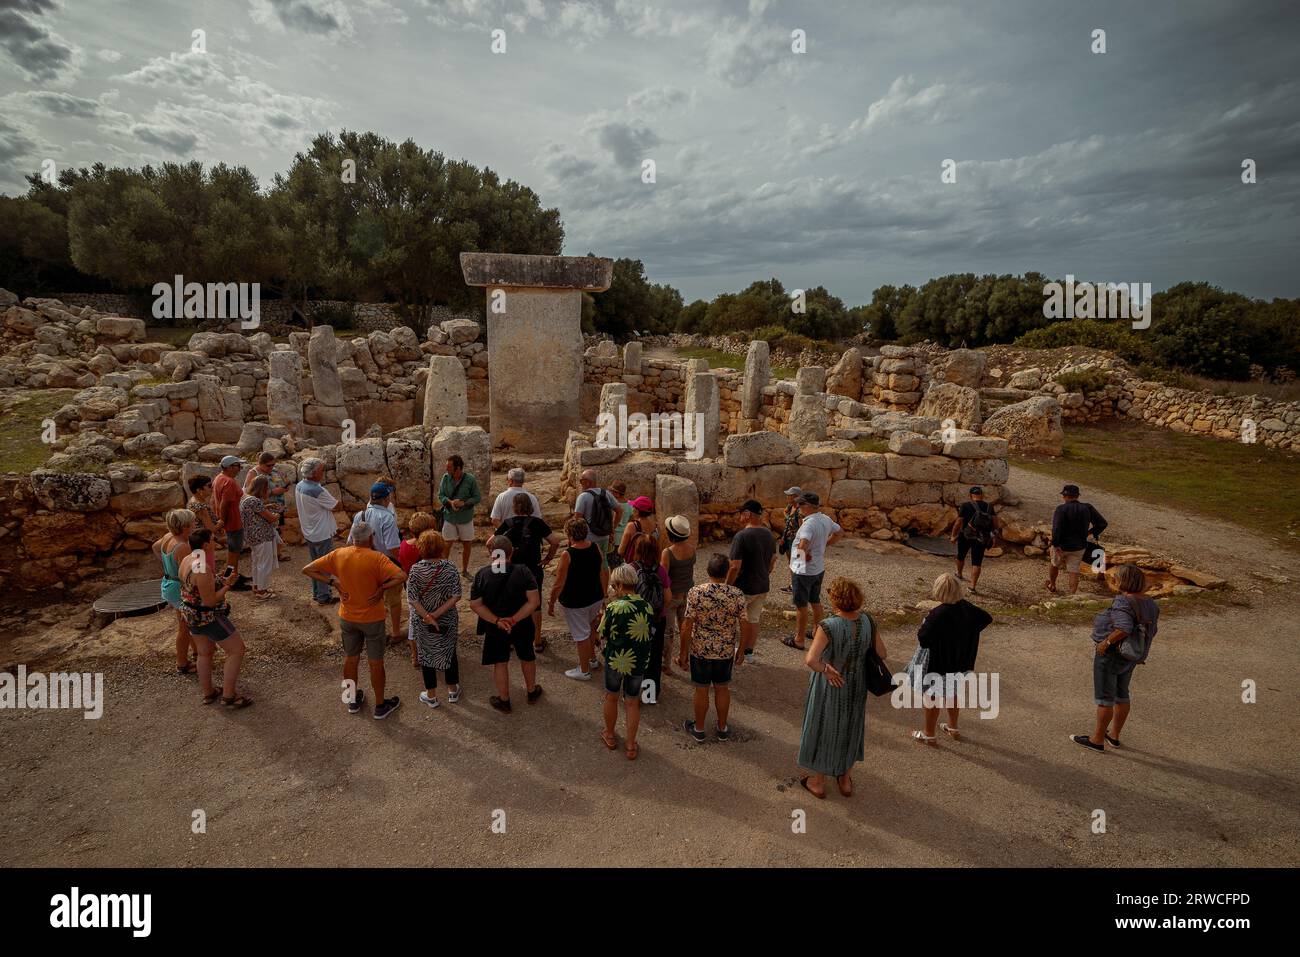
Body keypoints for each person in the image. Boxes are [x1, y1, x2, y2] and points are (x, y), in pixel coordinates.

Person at [303, 520, 407, 719]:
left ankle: (351, 699)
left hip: (347, 616)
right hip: (372, 617)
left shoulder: (338, 554)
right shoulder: (377, 558)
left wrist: (333, 582)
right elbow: (401, 576)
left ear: (352, 538)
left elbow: (307, 569)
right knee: (375, 662)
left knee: (351, 658)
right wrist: (382, 588)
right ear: (370, 538)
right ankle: (380, 705)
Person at [797, 577, 885, 799]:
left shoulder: (828, 626)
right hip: (858, 684)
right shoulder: (868, 621)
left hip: (832, 685)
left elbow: (811, 660)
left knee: (825, 728)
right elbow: (882, 654)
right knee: (851, 728)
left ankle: (818, 782)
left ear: (835, 600)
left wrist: (826, 669)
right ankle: (844, 780)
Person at [1071, 564, 1159, 753]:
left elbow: (1124, 627)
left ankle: (1096, 740)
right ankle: (1114, 735)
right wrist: (1141, 653)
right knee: (1122, 694)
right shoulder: (1150, 603)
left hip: (1112, 655)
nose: (1114, 580)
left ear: (1124, 580)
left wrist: (1106, 643)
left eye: (1117, 577)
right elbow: (1152, 630)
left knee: (1105, 698)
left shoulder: (1123, 601)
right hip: (1131, 656)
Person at [910, 573, 993, 746]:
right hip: (960, 661)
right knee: (952, 693)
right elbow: (987, 618)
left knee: (932, 696)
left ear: (938, 591)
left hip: (939, 663)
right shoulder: (966, 608)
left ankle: (929, 734)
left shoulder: (937, 614)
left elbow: (924, 639)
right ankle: (953, 727)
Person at [179, 528, 251, 708]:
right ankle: (229, 696)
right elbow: (210, 601)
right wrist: (228, 585)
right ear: (205, 545)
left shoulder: (187, 560)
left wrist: (219, 578)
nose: (216, 541)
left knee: (204, 653)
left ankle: (209, 692)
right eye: (213, 539)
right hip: (207, 616)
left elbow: (194, 587)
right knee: (236, 650)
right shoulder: (202, 568)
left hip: (190, 614)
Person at [469, 535, 543, 713]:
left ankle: (504, 699)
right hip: (522, 623)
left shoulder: (482, 574)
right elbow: (534, 601)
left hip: (496, 626)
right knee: (527, 656)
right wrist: (514, 619)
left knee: (500, 662)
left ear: (491, 552)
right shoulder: (524, 571)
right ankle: (532, 691)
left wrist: (498, 620)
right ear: (512, 552)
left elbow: (475, 604)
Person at [679, 554, 746, 742]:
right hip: (725, 650)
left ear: (708, 571)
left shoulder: (696, 592)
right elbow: (745, 623)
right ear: (726, 573)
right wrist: (741, 650)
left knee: (701, 690)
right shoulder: (736, 594)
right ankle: (722, 727)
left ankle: (699, 729)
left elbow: (687, 625)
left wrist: (683, 651)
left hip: (701, 649)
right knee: (722, 688)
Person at [598, 563, 654, 760]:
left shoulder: (614, 608)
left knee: (611, 697)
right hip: (638, 660)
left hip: (616, 660)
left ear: (620, 584)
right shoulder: (647, 606)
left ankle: (610, 734)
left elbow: (602, 633)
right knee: (632, 702)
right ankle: (631, 744)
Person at [495, 495, 560, 654]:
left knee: (511, 603)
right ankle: (537, 641)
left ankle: (510, 640)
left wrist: (499, 560)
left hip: (511, 570)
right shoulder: (537, 522)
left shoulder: (507, 523)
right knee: (535, 605)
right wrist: (548, 558)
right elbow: (555, 541)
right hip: (533, 569)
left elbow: (491, 542)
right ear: (530, 506)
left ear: (514, 506)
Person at [406, 529, 463, 709]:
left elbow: (412, 598)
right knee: (449, 652)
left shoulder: (415, 570)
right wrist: (437, 615)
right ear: (441, 547)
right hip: (447, 618)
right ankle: (452, 690)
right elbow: (456, 595)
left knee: (426, 655)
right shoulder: (450, 567)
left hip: (423, 621)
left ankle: (431, 695)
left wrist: (428, 617)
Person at [549, 517, 608, 681]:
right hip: (595, 596)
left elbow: (558, 584)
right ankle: (592, 660)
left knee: (581, 635)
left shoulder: (568, 554)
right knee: (590, 628)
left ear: (569, 534)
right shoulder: (595, 547)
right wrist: (603, 594)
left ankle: (584, 670)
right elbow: (602, 570)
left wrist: (552, 602)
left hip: (575, 601)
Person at [783, 492, 842, 651]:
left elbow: (802, 545)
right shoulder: (825, 519)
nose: (798, 507)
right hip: (818, 568)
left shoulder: (808, 524)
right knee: (815, 601)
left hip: (803, 571)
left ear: (808, 506)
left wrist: (801, 560)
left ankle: (799, 639)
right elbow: (839, 532)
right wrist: (824, 546)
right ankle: (817, 631)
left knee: (801, 606)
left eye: (801, 504)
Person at [350, 482, 404, 639]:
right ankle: (395, 632)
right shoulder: (387, 517)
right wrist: (402, 563)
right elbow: (393, 547)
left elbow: (351, 540)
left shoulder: (360, 515)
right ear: (386, 498)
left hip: (365, 561)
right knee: (393, 599)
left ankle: (373, 631)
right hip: (386, 563)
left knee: (372, 597)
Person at [727, 499, 778, 662]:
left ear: (747, 514)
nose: (740, 517)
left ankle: (729, 650)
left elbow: (734, 566)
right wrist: (763, 574)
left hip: (743, 586)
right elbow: (772, 560)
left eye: (742, 513)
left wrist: (726, 586)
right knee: (753, 619)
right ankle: (748, 652)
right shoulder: (769, 534)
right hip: (762, 585)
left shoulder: (741, 536)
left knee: (732, 619)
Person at [152, 508, 196, 674]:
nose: (195, 524)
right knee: (184, 626)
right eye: (192, 522)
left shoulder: (167, 537)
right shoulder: (183, 547)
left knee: (185, 622)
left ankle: (196, 651)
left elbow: (155, 547)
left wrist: (167, 567)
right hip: (178, 587)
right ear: (185, 526)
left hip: (168, 582)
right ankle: (182, 663)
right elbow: (189, 573)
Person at [1048, 483, 1108, 595]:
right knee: (1073, 571)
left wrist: (1055, 544)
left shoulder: (1061, 509)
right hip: (1079, 546)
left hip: (1062, 546)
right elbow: (1102, 524)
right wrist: (1089, 533)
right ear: (1077, 496)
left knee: (1054, 564)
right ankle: (1071, 595)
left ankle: (1052, 585)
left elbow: (1056, 529)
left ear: (1064, 496)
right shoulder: (1087, 507)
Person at [295, 457, 339, 605]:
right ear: (313, 473)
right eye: (321, 470)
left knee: (314, 564)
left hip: (309, 531)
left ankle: (317, 593)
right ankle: (324, 596)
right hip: (321, 532)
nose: (323, 473)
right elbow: (335, 506)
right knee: (324, 566)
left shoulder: (300, 485)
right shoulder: (317, 490)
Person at [632, 535, 670, 701]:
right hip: (656, 620)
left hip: (635, 621)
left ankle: (632, 692)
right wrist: (660, 610)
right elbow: (668, 597)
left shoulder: (631, 569)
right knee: (654, 657)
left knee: (634, 655)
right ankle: (650, 695)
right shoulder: (660, 570)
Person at [660, 514, 696, 674]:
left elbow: (663, 577)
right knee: (685, 629)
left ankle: (666, 664)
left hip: (672, 597)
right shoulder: (692, 550)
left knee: (668, 633)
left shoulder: (667, 553)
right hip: (687, 594)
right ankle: (684, 659)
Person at [950, 486, 1001, 594]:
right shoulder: (989, 507)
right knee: (977, 562)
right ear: (981, 495)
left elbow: (958, 522)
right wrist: (994, 538)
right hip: (981, 537)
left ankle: (959, 574)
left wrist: (953, 535)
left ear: (970, 495)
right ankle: (972, 586)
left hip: (966, 535)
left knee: (961, 555)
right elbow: (995, 524)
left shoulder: (966, 505)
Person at [438, 454, 482, 579]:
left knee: (467, 544)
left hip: (465, 518)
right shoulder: (445, 478)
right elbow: (440, 496)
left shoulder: (470, 480)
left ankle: (465, 570)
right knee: (446, 544)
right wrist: (450, 502)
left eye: (449, 467)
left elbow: (477, 497)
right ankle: (443, 571)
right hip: (450, 517)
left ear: (458, 468)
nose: (446, 469)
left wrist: (465, 503)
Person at [240, 474, 283, 600]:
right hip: (262, 536)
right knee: (264, 563)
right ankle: (262, 591)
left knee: (257, 562)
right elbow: (271, 518)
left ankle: (257, 586)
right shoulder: (255, 501)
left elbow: (256, 511)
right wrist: (278, 514)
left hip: (252, 536)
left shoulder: (246, 498)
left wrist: (268, 507)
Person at [212, 455, 250, 590]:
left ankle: (234, 575)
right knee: (233, 554)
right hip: (233, 523)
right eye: (237, 466)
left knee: (233, 553)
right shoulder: (230, 482)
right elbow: (225, 503)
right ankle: (230, 580)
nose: (240, 469)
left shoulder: (219, 478)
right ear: (228, 467)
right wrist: (223, 520)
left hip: (230, 522)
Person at [245, 450, 291, 561]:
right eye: (268, 465)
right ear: (260, 463)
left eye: (273, 464)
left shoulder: (274, 471)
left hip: (278, 505)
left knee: (279, 528)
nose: (271, 467)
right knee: (266, 530)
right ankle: (267, 555)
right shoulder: (253, 473)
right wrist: (272, 492)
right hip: (262, 507)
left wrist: (284, 487)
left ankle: (278, 554)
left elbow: (282, 480)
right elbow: (249, 491)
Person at [573, 469, 618, 557]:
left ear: (588, 482)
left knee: (590, 564)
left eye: (581, 481)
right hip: (604, 536)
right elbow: (619, 511)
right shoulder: (606, 493)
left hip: (589, 538)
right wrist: (612, 528)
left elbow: (577, 519)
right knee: (603, 560)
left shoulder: (583, 497)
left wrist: (574, 539)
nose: (580, 483)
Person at [617, 495, 657, 564]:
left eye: (633, 507)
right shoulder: (656, 526)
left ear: (637, 511)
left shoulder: (632, 526)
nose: (632, 508)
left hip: (633, 566)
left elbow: (621, 551)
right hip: (650, 564)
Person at [607, 480, 633, 567]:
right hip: (625, 537)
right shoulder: (630, 505)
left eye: (612, 492)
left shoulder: (613, 506)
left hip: (614, 538)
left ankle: (614, 580)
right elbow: (631, 519)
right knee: (623, 563)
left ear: (617, 494)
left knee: (613, 565)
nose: (610, 493)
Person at [186, 476, 220, 540]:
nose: (212, 487)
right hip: (203, 539)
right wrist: (223, 520)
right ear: (199, 490)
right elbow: (211, 529)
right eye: (209, 485)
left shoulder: (196, 500)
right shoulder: (200, 506)